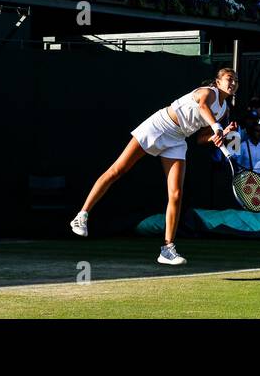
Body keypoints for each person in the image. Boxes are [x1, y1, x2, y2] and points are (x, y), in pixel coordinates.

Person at [71, 68, 238, 265]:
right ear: (218, 82)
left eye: (236, 80)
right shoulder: (208, 92)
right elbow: (202, 107)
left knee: (176, 194)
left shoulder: (224, 109)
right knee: (118, 170)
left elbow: (201, 139)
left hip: (177, 139)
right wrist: (217, 127)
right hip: (159, 126)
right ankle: (82, 215)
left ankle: (167, 249)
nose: (233, 83)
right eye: (229, 79)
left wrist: (219, 134)